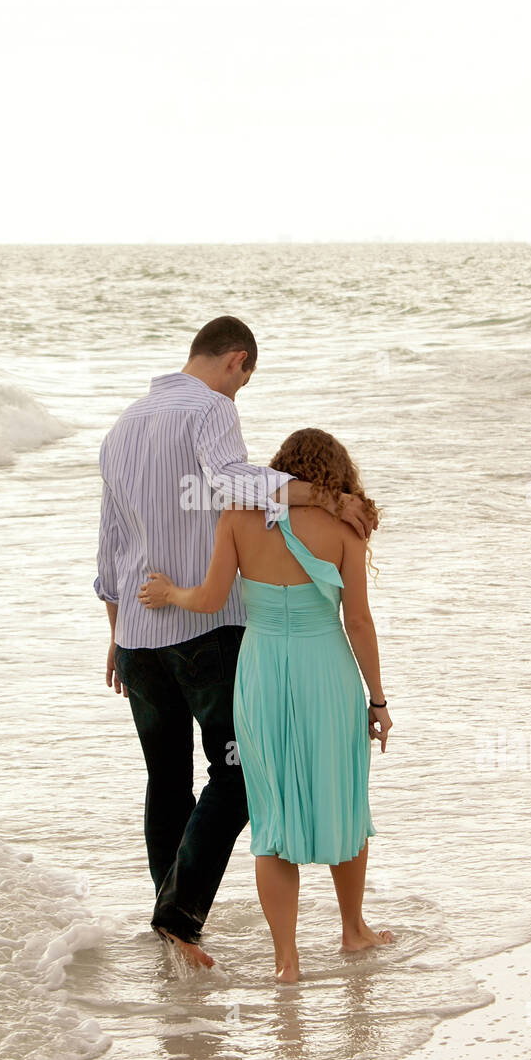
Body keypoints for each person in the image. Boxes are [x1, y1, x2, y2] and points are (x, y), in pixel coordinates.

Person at [94, 317, 376, 968]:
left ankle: (173, 922)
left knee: (166, 780)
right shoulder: (209, 407)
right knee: (240, 773)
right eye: (244, 382)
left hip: (138, 637)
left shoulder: (122, 428)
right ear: (236, 363)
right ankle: (179, 914)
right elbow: (229, 479)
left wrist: (115, 635)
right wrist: (324, 496)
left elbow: (110, 544)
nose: (238, 396)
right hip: (202, 631)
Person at [138, 427, 393, 983]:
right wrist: (377, 699)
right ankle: (353, 931)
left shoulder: (237, 517)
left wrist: (167, 594)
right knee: (343, 797)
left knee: (272, 812)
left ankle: (287, 961)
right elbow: (359, 621)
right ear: (338, 475)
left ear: (278, 470)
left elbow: (208, 599)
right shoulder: (346, 526)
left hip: (260, 675)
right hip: (325, 670)